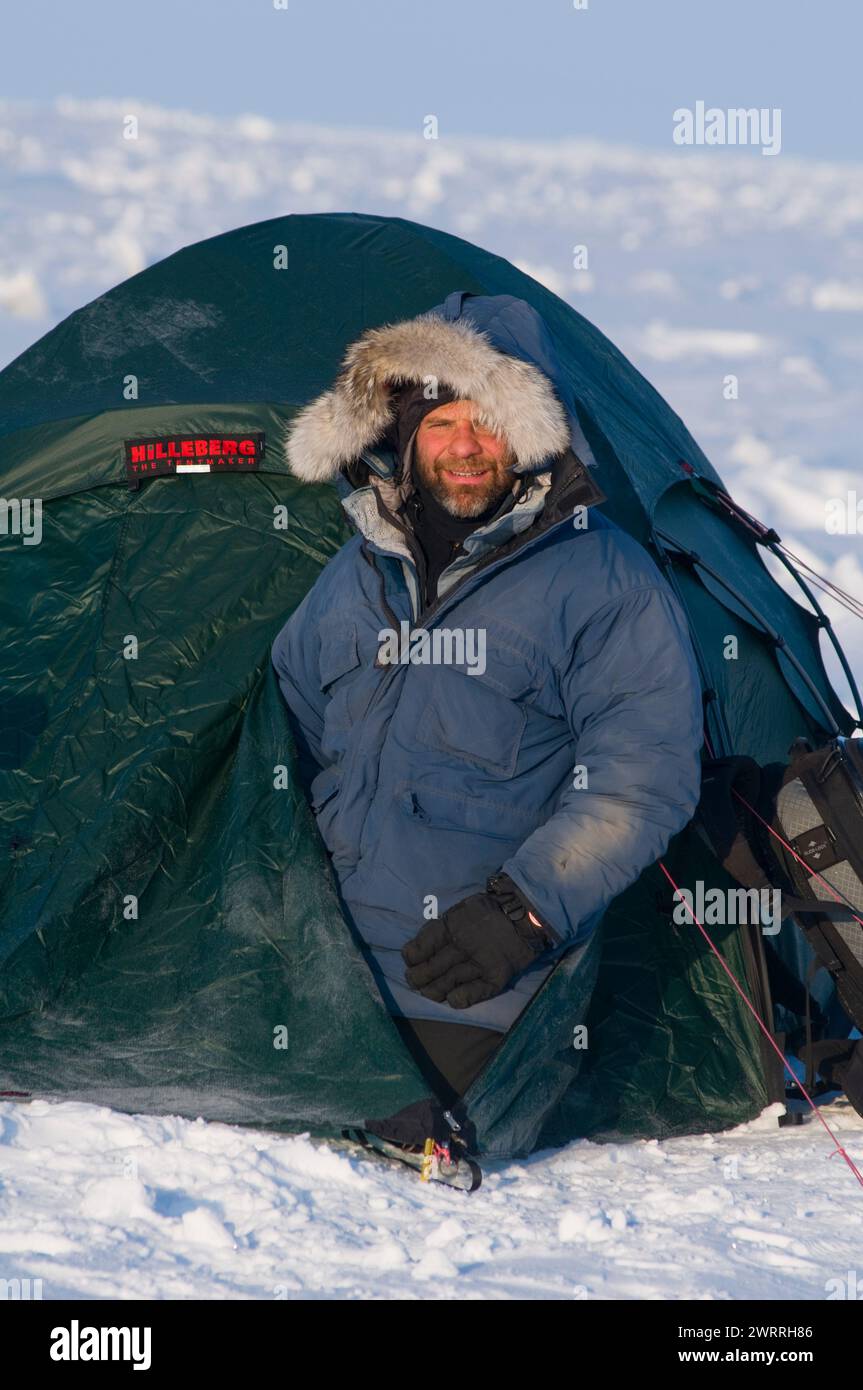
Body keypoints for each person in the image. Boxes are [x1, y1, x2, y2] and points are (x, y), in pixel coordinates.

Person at [272, 290, 704, 1114]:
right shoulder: (356, 575)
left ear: (531, 435)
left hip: (466, 974)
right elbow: (287, 730)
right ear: (400, 442)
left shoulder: (601, 580)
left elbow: (639, 781)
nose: (464, 447)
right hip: (318, 961)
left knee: (361, 1126)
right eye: (440, 424)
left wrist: (523, 915)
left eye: (487, 421)